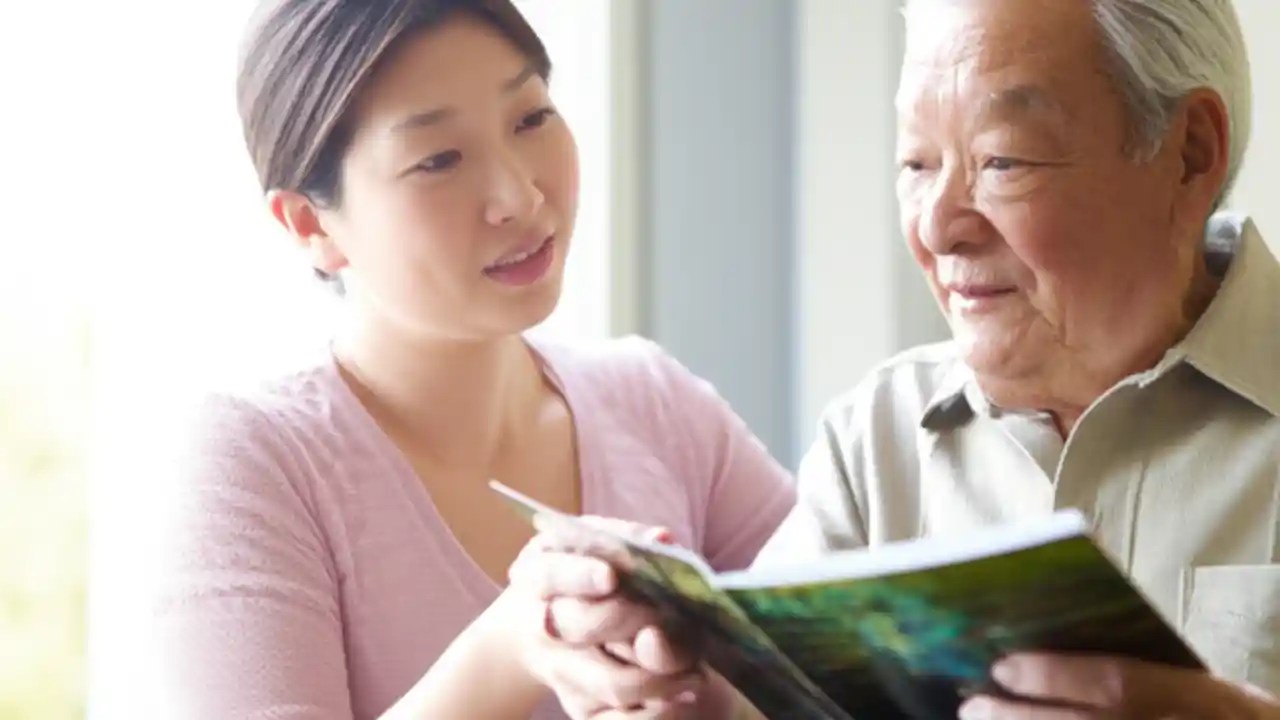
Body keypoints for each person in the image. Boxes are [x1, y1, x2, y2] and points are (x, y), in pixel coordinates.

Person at [511, 0, 1280, 717]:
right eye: (916, 164)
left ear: (1189, 153)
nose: (939, 227)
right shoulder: (876, 439)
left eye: (1004, 161)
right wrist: (662, 675)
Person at [136, 1, 796, 718]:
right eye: (438, 160)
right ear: (310, 224)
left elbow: (857, 682)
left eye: (531, 119)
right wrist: (513, 646)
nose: (518, 195)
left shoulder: (657, 405)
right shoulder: (255, 465)